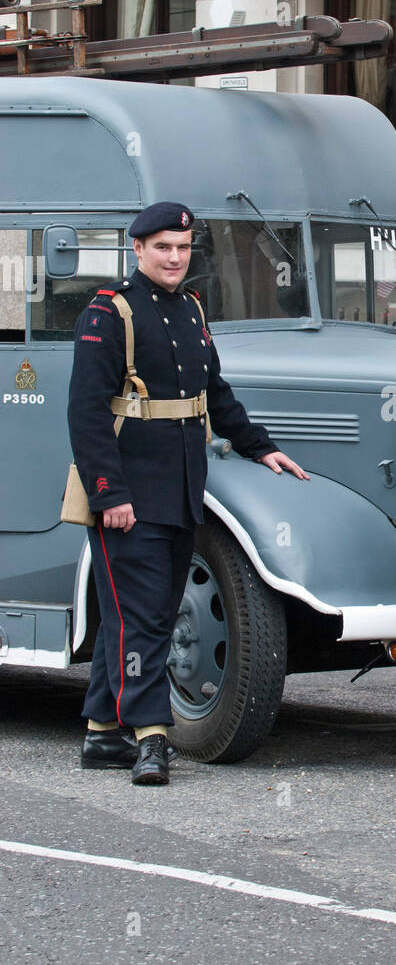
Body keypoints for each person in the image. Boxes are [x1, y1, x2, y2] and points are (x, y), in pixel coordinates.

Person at [69, 201, 308, 785]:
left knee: (134, 614)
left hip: (180, 490)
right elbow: (86, 414)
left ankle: (103, 734)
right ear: (139, 250)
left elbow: (213, 391)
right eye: (163, 249)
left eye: (182, 249)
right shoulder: (110, 311)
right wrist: (108, 493)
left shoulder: (191, 309)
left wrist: (258, 445)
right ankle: (151, 737)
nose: (175, 258)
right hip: (128, 494)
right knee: (144, 619)